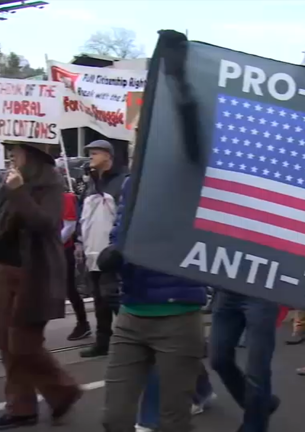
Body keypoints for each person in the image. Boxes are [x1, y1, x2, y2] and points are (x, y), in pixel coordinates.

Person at [98, 177, 208, 432]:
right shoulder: (132, 183)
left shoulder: (196, 182)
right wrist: (112, 256)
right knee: (113, 419)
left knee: (173, 421)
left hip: (178, 319)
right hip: (131, 316)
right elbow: (120, 231)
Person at [0, 140, 82, 429]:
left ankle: (63, 389)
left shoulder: (50, 183)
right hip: (5, 269)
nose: (11, 157)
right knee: (6, 344)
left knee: (23, 344)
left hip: (34, 273)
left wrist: (19, 192)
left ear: (31, 155)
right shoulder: (13, 181)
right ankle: (20, 407)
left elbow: (44, 223)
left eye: (15, 151)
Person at [79, 139, 128, 358]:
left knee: (112, 296)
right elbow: (86, 216)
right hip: (93, 250)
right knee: (99, 300)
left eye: (95, 153)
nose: (91, 157)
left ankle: (134, 337)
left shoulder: (122, 182)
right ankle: (103, 341)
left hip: (111, 251)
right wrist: (81, 242)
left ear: (108, 156)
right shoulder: (91, 183)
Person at [209, 290, 281, 432]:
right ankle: (262, 405)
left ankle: (255, 425)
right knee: (218, 359)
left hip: (262, 294)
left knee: (257, 368)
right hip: (227, 292)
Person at [62, 182, 91, 341]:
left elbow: (69, 227)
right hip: (52, 248)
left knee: (70, 288)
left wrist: (53, 244)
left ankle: (83, 323)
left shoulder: (66, 198)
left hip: (62, 249)